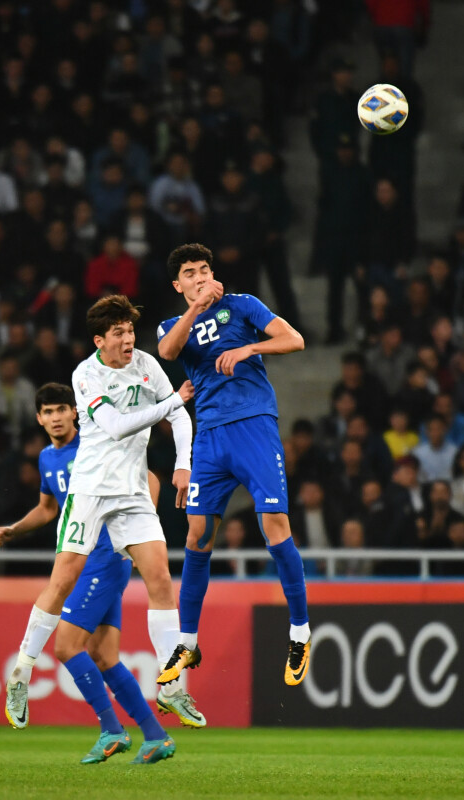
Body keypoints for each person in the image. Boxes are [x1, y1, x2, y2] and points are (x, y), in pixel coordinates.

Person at [4, 296, 194, 767]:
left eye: (131, 331)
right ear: (99, 340)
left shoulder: (148, 365)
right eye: (119, 334)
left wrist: (184, 463)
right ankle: (22, 673)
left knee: (162, 577)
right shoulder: (85, 375)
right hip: (91, 493)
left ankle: (171, 685)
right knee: (64, 583)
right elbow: (113, 426)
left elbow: (178, 415)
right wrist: (173, 400)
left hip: (130, 495)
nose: (129, 340)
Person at [156, 243, 310, 688]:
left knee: (274, 524)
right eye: (190, 272)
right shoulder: (173, 325)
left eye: (205, 269)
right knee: (197, 535)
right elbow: (168, 351)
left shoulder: (243, 306)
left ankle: (299, 632)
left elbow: (295, 339)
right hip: (210, 438)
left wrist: (248, 350)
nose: (200, 277)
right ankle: (187, 641)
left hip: (254, 425)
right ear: (178, 284)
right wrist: (197, 309)